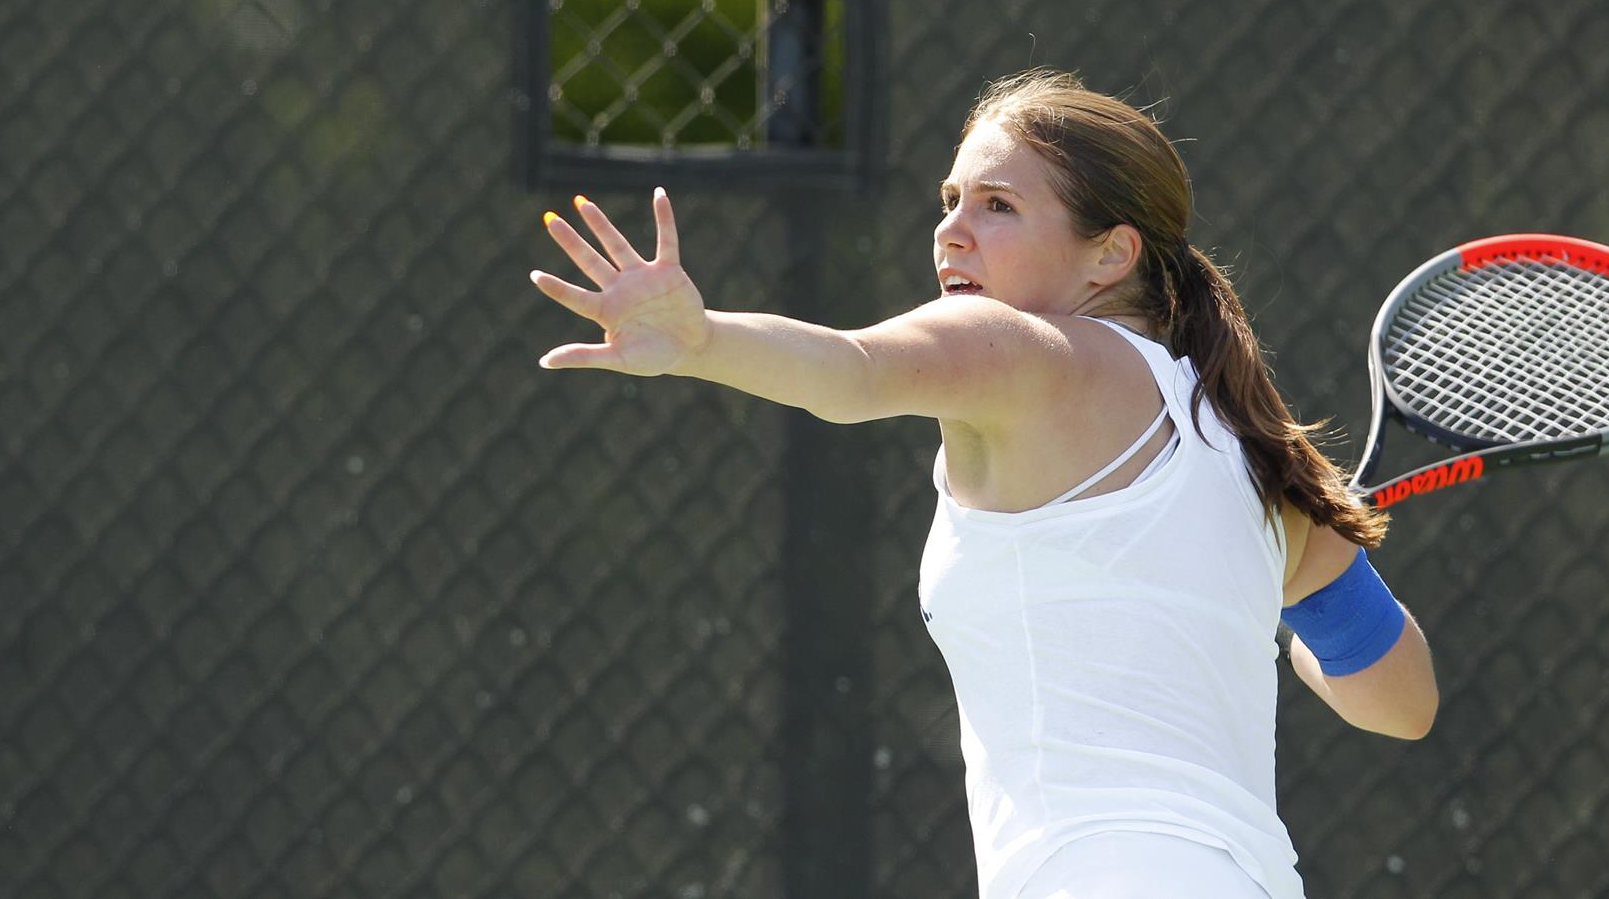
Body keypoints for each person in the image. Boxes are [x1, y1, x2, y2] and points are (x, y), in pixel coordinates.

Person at [530, 68, 1438, 899]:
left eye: (998, 205)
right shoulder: (1255, 461)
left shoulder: (1018, 349)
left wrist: (702, 341)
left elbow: (850, 372)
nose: (951, 229)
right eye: (951, 199)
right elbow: (1403, 702)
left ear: (1110, 254)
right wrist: (1284, 614)